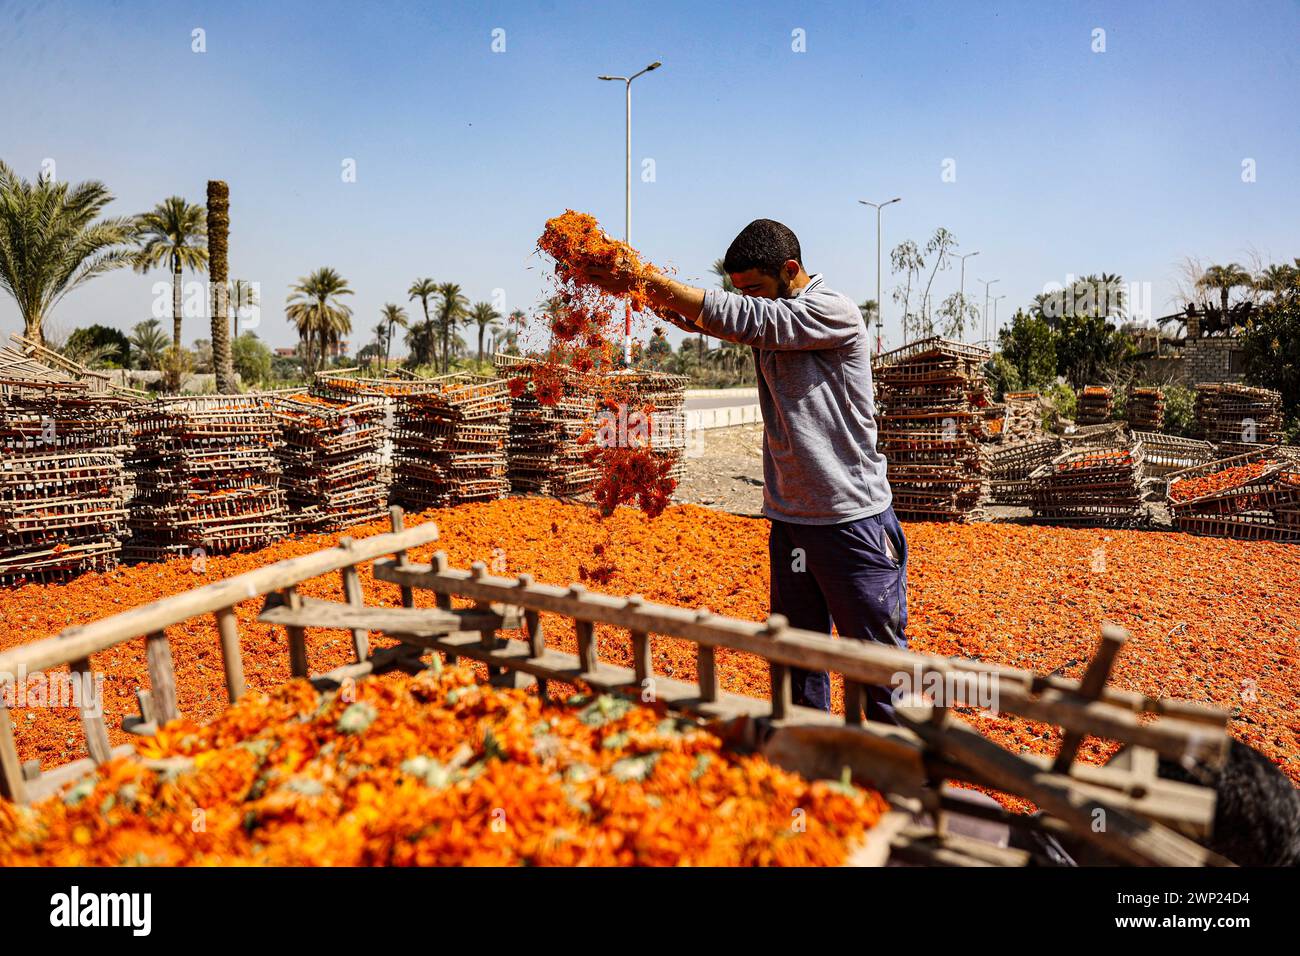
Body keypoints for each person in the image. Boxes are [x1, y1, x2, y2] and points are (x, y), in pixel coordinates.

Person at [581, 218, 907, 722]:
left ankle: (901, 780)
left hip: (850, 520)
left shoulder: (831, 312)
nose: (749, 300)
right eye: (741, 292)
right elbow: (723, 319)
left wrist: (648, 281)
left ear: (791, 270)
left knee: (879, 669)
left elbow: (749, 319)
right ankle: (811, 766)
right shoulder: (772, 317)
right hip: (792, 520)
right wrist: (643, 291)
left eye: (755, 288)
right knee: (798, 660)